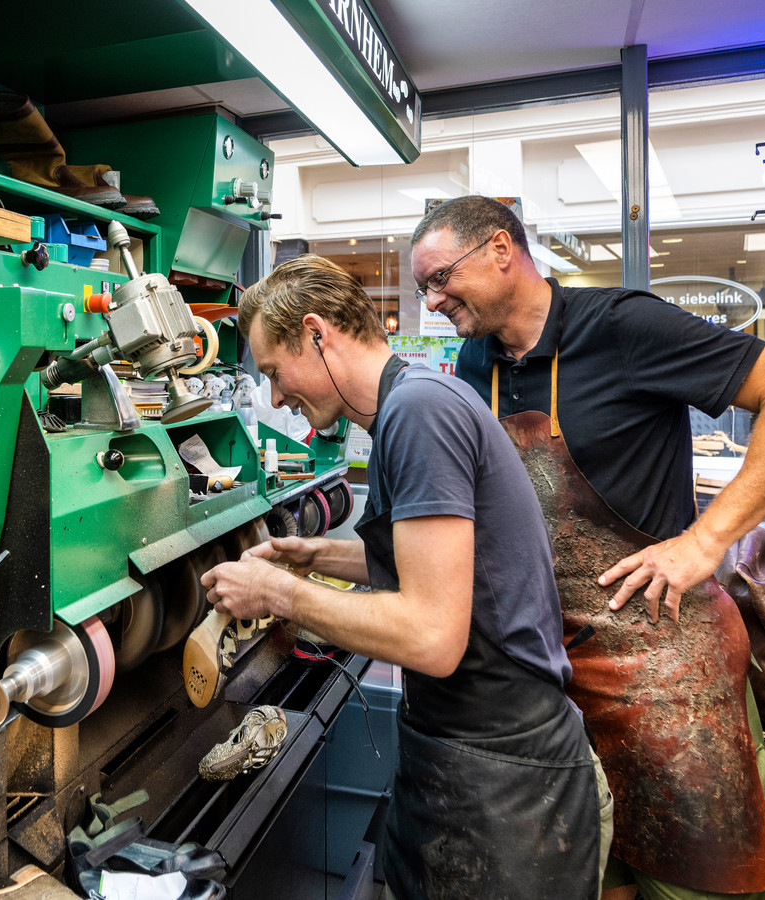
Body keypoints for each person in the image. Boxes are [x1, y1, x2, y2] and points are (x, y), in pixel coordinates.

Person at [410, 195, 765, 900]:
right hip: (553, 680)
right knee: (596, 881)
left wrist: (705, 540)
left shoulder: (622, 326)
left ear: (500, 250)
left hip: (667, 670)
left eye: (439, 279)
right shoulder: (475, 361)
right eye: (422, 287)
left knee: (704, 883)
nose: (431, 301)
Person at [199, 254, 612, 899]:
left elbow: (431, 636)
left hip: (509, 786)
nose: (276, 396)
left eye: (276, 373)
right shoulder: (410, 401)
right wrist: (312, 556)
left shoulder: (416, 413)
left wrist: (281, 593)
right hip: (466, 761)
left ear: (317, 333)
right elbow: (435, 564)